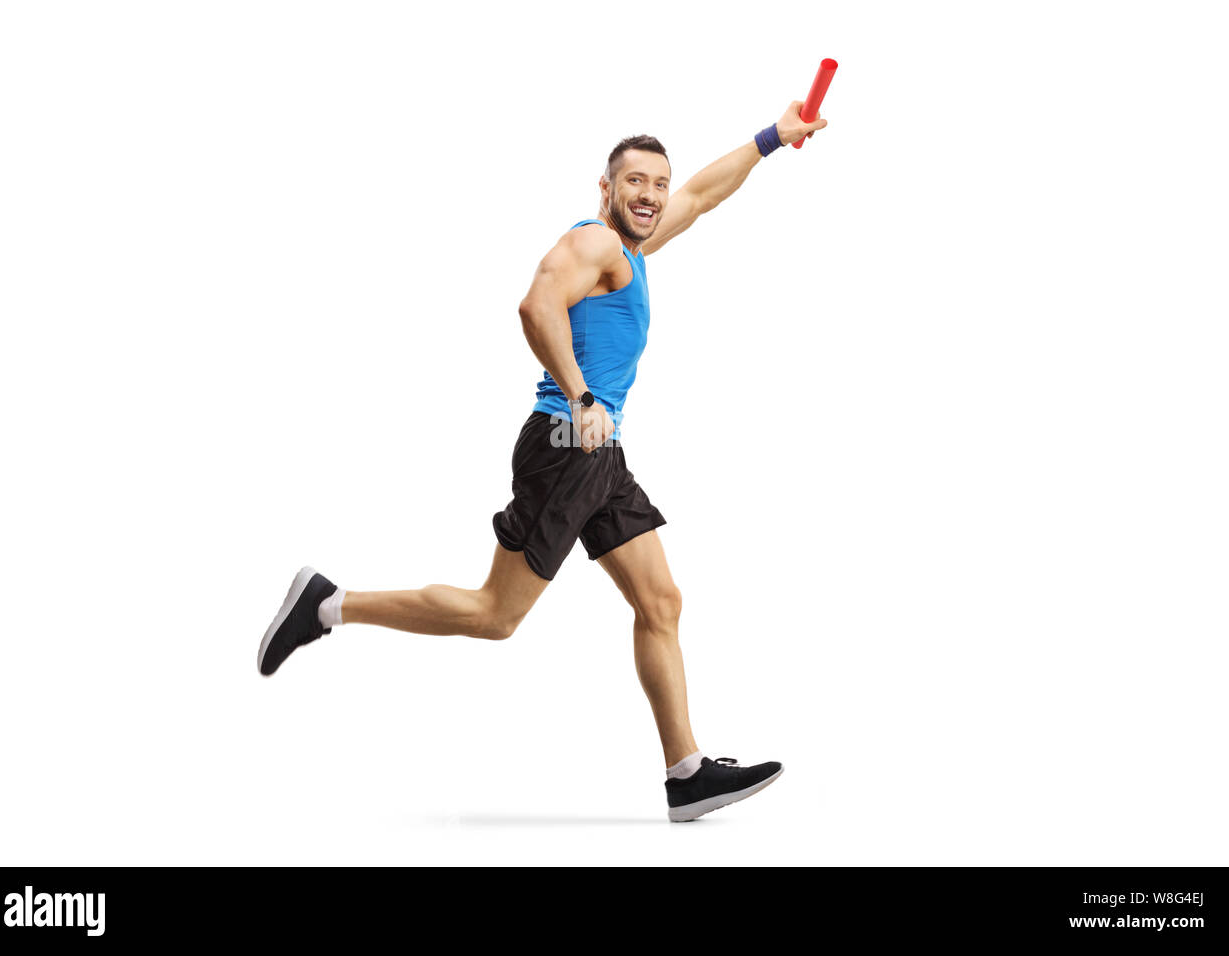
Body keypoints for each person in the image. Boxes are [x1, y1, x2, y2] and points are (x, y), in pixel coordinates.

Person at [258, 101, 829, 822]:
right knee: (496, 616)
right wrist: (583, 395)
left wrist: (775, 137)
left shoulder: (636, 251)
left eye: (658, 182)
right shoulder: (594, 244)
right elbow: (535, 306)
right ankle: (327, 604)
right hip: (566, 446)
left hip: (599, 454)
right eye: (636, 182)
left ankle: (685, 774)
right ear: (606, 189)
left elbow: (705, 194)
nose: (652, 194)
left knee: (660, 602)